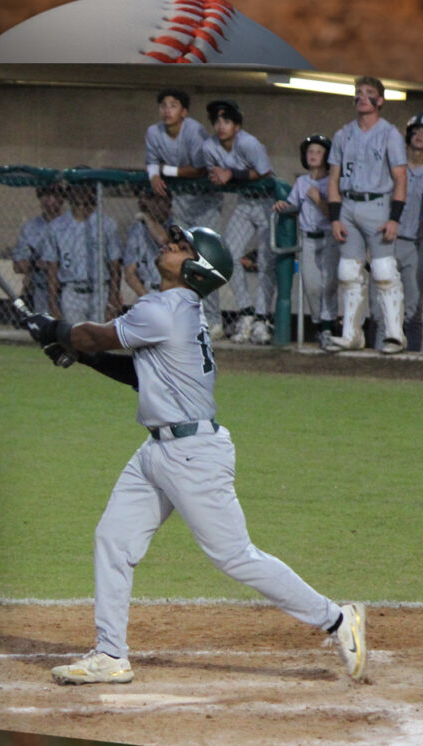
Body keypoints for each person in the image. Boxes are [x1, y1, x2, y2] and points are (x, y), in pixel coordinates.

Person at [20, 225, 367, 686]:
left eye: (181, 246)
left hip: (192, 456)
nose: (169, 245)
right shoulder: (177, 311)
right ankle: (110, 654)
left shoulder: (166, 308)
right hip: (158, 452)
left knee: (235, 556)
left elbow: (93, 337)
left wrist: (55, 330)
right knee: (113, 540)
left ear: (195, 268)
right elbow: (139, 377)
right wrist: (74, 351)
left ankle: (338, 620)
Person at [326, 76, 408, 353]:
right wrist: (335, 216)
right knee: (348, 271)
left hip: (378, 204)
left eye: (368, 93)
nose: (362, 97)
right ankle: (352, 334)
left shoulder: (390, 134)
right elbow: (334, 178)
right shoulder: (343, 134)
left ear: (380, 101)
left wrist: (394, 217)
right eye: (358, 92)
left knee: (384, 271)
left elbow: (400, 177)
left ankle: (395, 335)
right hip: (349, 204)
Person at [144, 88, 220, 336]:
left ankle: (213, 320)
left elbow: (200, 169)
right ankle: (183, 317)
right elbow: (152, 161)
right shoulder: (154, 132)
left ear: (184, 111)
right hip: (182, 204)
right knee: (179, 259)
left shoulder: (194, 130)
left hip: (206, 204)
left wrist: (167, 171)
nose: (167, 110)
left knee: (206, 261)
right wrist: (154, 174)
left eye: (173, 105)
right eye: (164, 105)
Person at [199, 99, 275, 344]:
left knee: (266, 261)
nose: (221, 126)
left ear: (237, 125)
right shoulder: (210, 146)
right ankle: (246, 313)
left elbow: (264, 173)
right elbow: (214, 175)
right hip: (244, 202)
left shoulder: (249, 143)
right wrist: (222, 176)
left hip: (266, 202)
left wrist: (232, 174)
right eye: (218, 121)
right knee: (228, 255)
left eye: (227, 121)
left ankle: (263, 319)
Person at [273, 135, 337, 347]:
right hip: (308, 239)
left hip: (329, 238)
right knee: (311, 285)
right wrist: (284, 206)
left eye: (318, 152)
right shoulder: (302, 182)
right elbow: (293, 207)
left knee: (328, 284)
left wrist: (318, 199)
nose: (313, 155)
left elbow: (333, 214)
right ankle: (320, 325)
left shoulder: (332, 181)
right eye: (310, 152)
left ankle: (328, 327)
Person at [43, 181, 120, 323]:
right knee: (75, 338)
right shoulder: (57, 226)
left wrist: (113, 298)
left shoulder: (106, 224)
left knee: (98, 338)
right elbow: (52, 268)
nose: (81, 192)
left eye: (85, 188)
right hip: (72, 290)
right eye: (77, 188)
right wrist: (52, 303)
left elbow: (115, 265)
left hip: (100, 290)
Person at [390, 115, 423, 350]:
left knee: (414, 300)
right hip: (389, 238)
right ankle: (377, 348)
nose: (420, 136)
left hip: (415, 242)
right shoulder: (395, 167)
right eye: (416, 131)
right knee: (382, 295)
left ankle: (411, 354)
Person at [12, 184, 66, 316]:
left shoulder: (70, 224)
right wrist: (34, 264)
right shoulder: (31, 227)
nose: (49, 201)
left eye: (54, 196)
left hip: (67, 289)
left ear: (62, 199)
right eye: (45, 196)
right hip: (41, 289)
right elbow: (19, 265)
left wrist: (52, 264)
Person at [120, 189, 174, 305]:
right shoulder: (137, 228)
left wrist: (146, 217)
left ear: (169, 202)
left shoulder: (177, 224)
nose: (156, 204)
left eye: (161, 200)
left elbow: (163, 239)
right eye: (152, 200)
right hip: (149, 291)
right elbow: (129, 273)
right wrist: (147, 298)